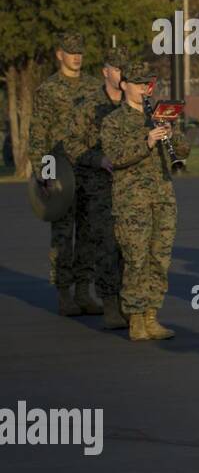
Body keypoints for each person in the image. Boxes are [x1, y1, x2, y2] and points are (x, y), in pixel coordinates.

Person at [100, 62, 192, 341]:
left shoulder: (157, 115)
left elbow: (185, 151)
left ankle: (152, 315)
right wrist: (147, 141)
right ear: (124, 84)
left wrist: (172, 133)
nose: (143, 89)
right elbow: (115, 157)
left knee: (159, 259)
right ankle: (136, 318)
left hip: (162, 197)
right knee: (136, 260)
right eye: (138, 84)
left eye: (147, 84)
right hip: (132, 202)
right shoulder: (113, 121)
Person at [29, 31, 104, 316]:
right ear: (59, 54)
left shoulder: (94, 87)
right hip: (60, 169)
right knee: (62, 235)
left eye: (80, 51)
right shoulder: (48, 90)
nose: (76, 56)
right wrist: (43, 173)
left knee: (88, 233)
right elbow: (38, 135)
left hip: (89, 169)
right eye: (71, 51)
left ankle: (84, 291)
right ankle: (64, 293)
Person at [64, 45, 129, 329]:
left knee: (128, 247)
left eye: (125, 69)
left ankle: (127, 302)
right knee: (102, 245)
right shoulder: (89, 106)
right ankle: (107, 303)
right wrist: (97, 159)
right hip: (97, 187)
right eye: (117, 69)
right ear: (106, 72)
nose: (122, 74)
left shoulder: (133, 104)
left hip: (128, 187)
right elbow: (71, 144)